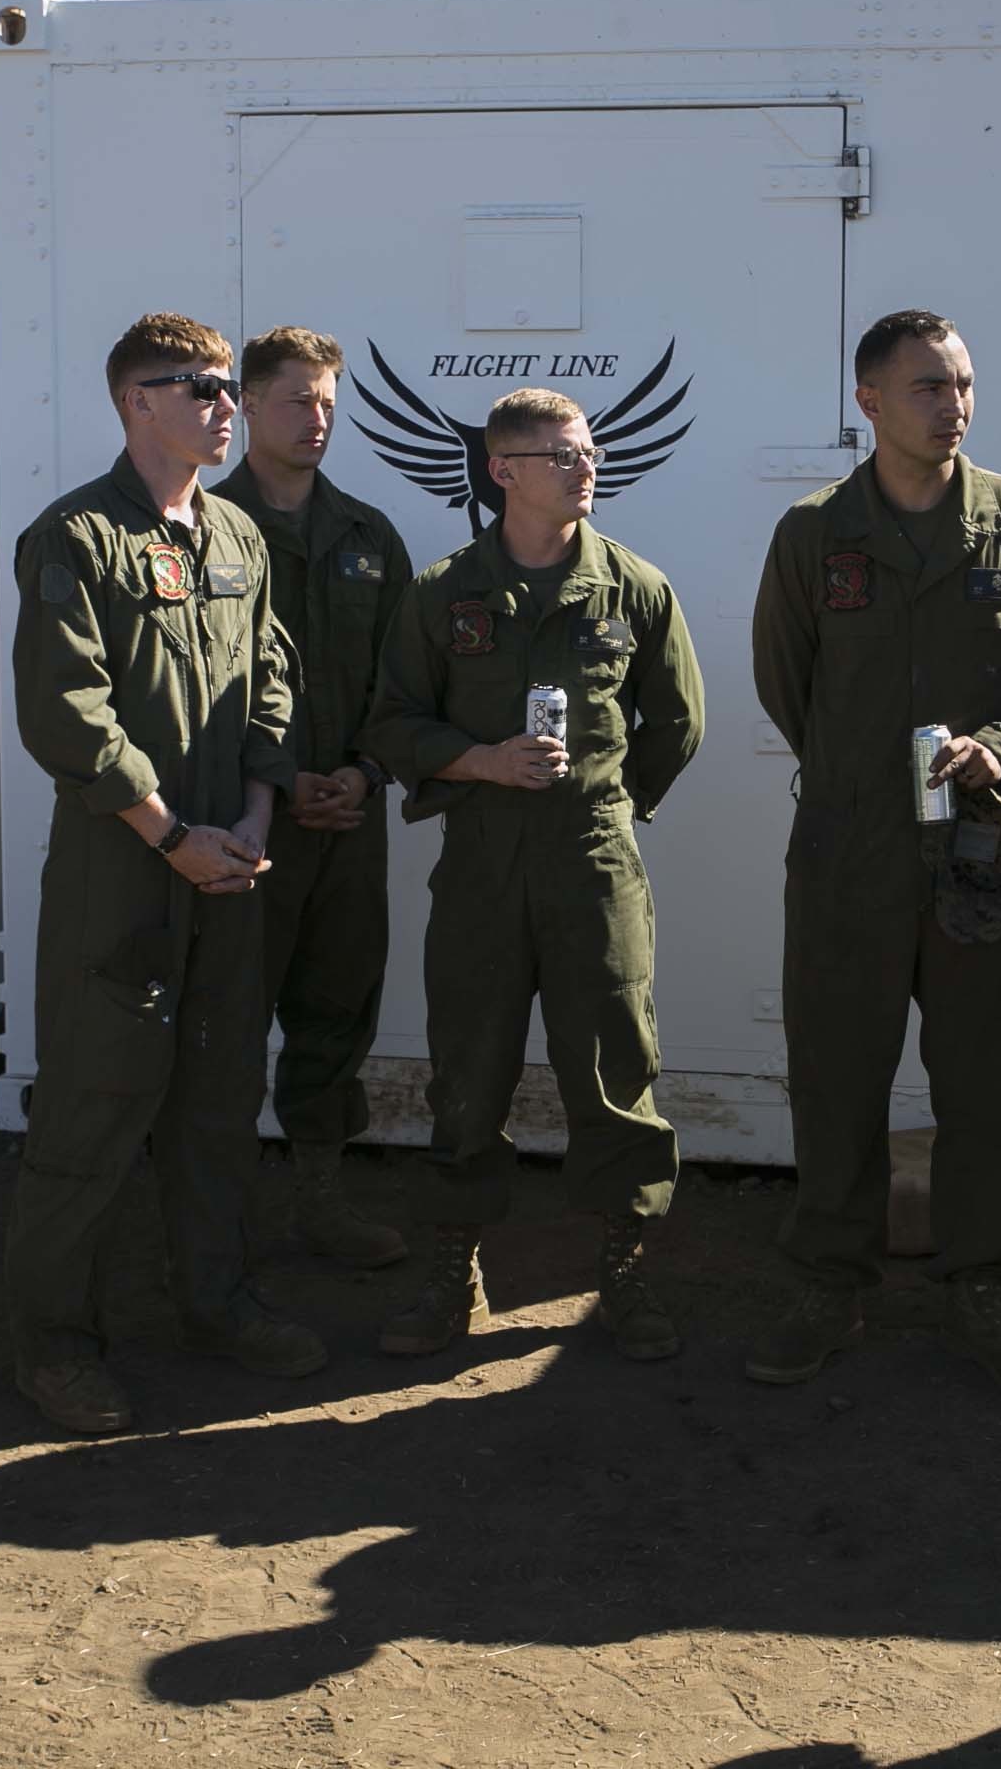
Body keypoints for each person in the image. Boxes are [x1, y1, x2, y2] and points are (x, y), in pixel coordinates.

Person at [745, 309, 1001, 1400]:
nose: (955, 407)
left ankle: (981, 1288)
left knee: (990, 1086)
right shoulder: (816, 534)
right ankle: (830, 1285)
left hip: (982, 856)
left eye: (964, 385)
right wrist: (857, 776)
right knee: (836, 1077)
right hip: (848, 853)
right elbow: (786, 681)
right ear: (868, 402)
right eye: (929, 388)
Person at [3, 312, 325, 1436]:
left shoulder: (235, 534)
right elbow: (68, 712)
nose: (226, 404)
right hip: (125, 870)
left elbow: (272, 683)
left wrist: (252, 814)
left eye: (229, 386)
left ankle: (218, 1303)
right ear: (137, 401)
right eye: (200, 386)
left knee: (220, 1100)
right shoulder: (77, 536)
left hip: (229, 860)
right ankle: (55, 1344)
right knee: (93, 1109)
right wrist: (169, 834)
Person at [363, 386, 704, 1360]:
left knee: (615, 1072)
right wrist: (480, 763)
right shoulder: (444, 594)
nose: (584, 468)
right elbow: (391, 722)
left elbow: (678, 721)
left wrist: (606, 803)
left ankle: (622, 1274)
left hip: (593, 867)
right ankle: (453, 1274)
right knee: (468, 1073)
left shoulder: (634, 587)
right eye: (562, 455)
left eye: (588, 452)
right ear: (502, 470)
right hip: (481, 865)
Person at [209, 326, 409, 1270]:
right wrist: (285, 781)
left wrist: (364, 772)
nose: (317, 419)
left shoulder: (368, 536)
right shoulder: (204, 530)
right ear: (247, 404)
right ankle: (216, 1215)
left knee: (336, 1012)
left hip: (347, 823)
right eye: (297, 400)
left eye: (328, 402)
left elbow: (404, 683)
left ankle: (319, 1199)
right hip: (241, 825)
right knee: (226, 1020)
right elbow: (197, 693)